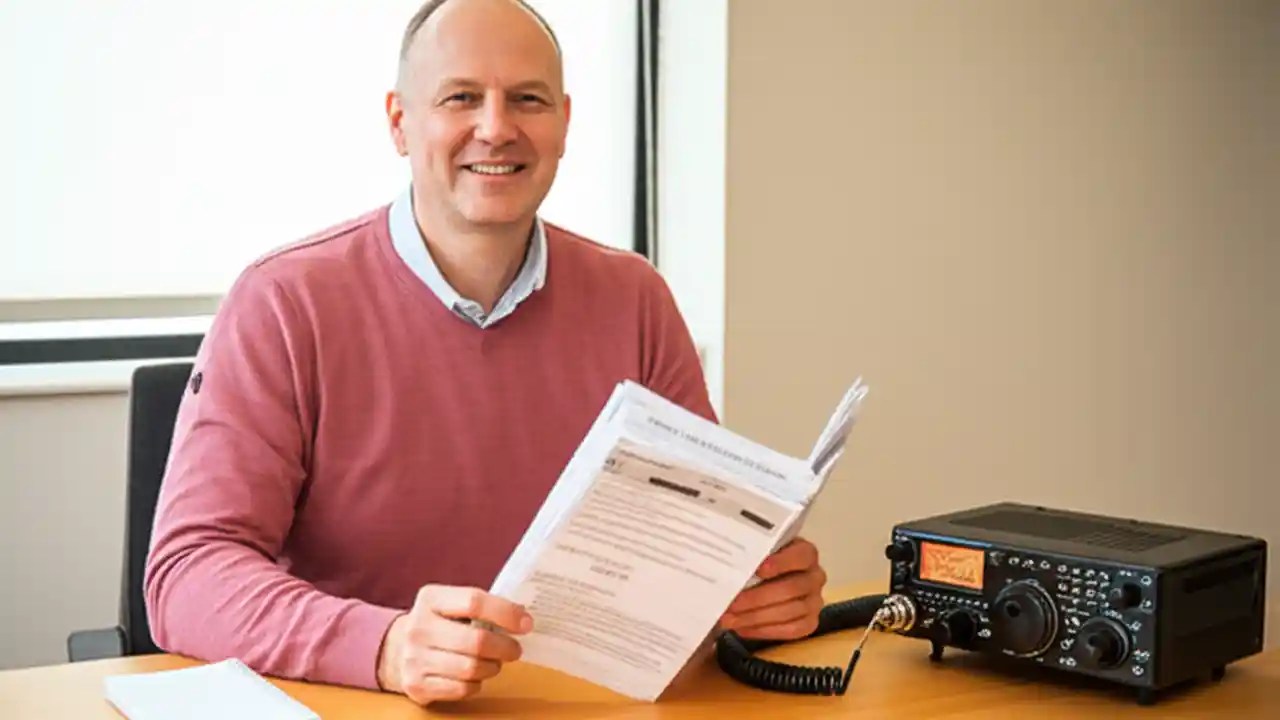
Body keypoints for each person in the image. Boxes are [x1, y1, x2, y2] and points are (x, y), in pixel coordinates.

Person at [143, 0, 828, 706]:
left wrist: (754, 595)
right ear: (400, 123)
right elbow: (187, 576)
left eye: (526, 100)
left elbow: (692, 546)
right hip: (361, 704)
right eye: (460, 97)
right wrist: (383, 646)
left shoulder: (635, 299)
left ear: (563, 122)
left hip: (576, 703)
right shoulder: (283, 302)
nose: (496, 128)